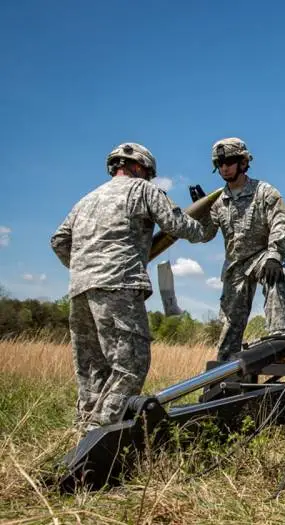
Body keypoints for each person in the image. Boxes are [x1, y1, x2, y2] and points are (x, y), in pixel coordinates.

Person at [50, 143, 213, 433]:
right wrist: (206, 225)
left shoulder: (86, 200)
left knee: (92, 368)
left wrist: (86, 267)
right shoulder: (143, 190)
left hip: (80, 290)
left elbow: (59, 241)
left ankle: (81, 432)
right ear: (139, 167)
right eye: (148, 173)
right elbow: (176, 225)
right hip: (119, 285)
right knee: (130, 364)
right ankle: (100, 432)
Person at [199, 137, 285, 361]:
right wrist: (201, 213)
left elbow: (280, 222)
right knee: (229, 322)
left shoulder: (264, 192)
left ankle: (280, 343)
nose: (224, 168)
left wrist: (275, 256)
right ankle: (224, 369)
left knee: (276, 277)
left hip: (262, 257)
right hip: (235, 266)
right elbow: (205, 235)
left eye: (229, 162)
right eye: (220, 164)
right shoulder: (217, 201)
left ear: (243, 163)